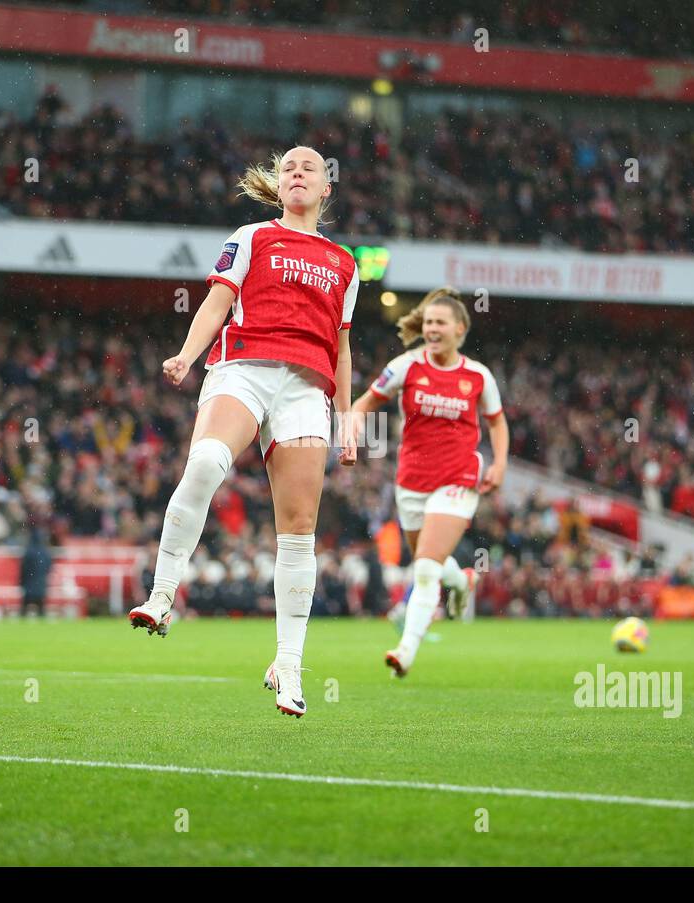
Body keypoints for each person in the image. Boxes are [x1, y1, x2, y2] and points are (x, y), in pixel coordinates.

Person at [127, 145, 359, 718]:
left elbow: (344, 346)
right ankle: (161, 596)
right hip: (244, 367)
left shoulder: (345, 263)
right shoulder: (254, 236)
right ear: (279, 186)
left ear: (326, 187)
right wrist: (186, 355)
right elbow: (218, 300)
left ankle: (289, 665)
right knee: (205, 462)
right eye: (289, 168)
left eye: (309, 168)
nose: (298, 174)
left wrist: (349, 417)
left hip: (309, 388)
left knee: (298, 532)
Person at [347, 287, 508, 677]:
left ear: (459, 329)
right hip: (413, 482)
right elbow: (362, 403)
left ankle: (405, 650)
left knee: (423, 568)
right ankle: (461, 581)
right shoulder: (405, 367)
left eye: (440, 323)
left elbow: (497, 421)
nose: (433, 329)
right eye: (429, 322)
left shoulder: (477, 376)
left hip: (458, 479)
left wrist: (499, 463)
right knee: (433, 564)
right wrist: (350, 434)